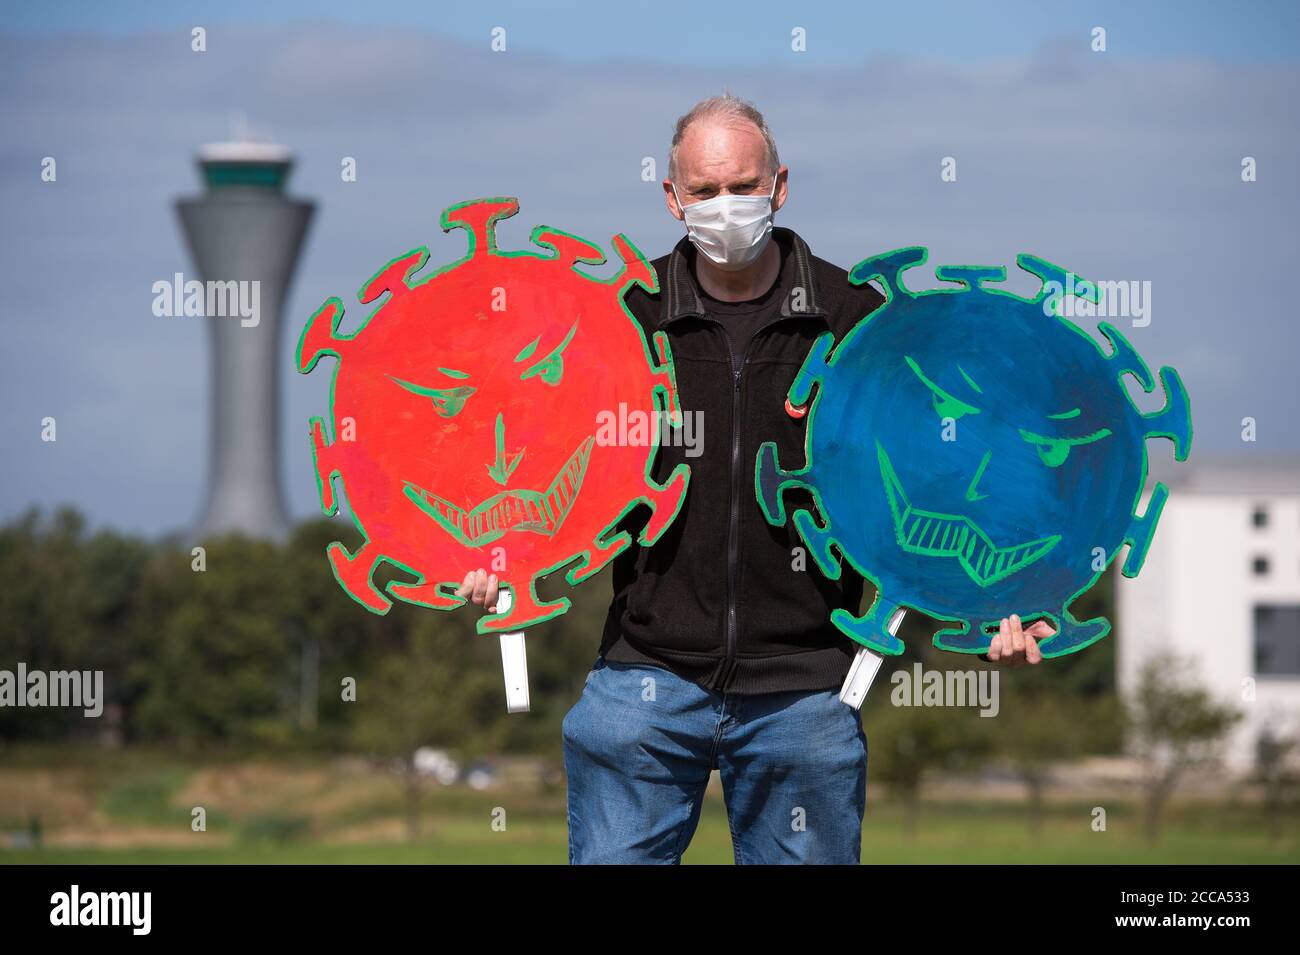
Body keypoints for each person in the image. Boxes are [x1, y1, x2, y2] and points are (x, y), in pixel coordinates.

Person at [458, 94, 1052, 864]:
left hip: (805, 689)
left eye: (742, 184)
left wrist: (999, 607)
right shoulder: (622, 323)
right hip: (643, 678)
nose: (725, 205)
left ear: (779, 185)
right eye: (704, 191)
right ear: (672, 198)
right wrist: (488, 556)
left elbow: (942, 475)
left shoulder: (856, 321)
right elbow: (536, 457)